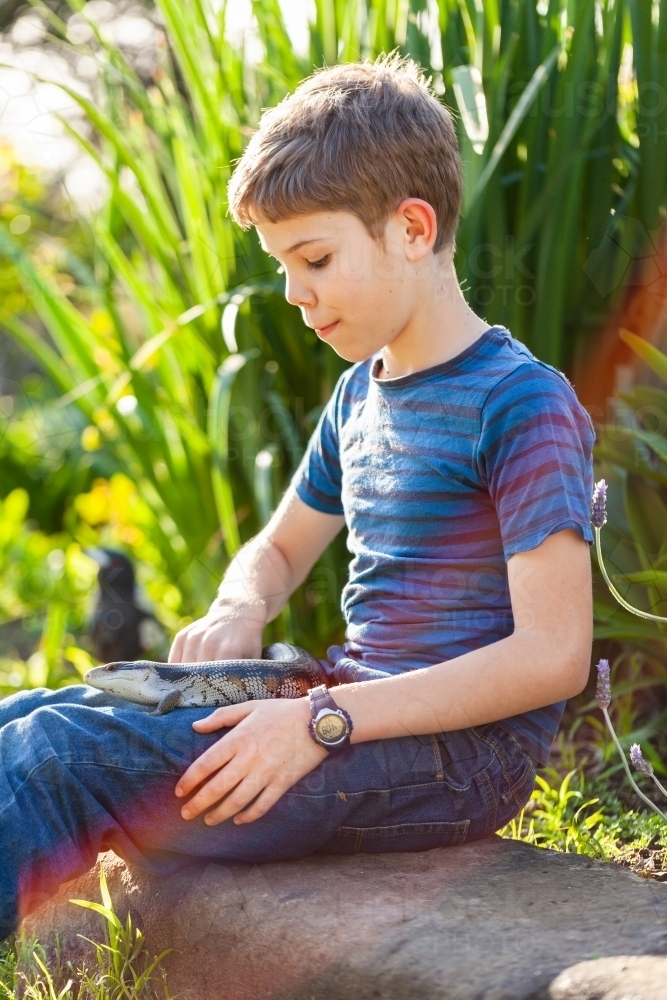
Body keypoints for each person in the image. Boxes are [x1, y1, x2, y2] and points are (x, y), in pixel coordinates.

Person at [0, 56, 595, 939]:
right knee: (27, 716)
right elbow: (278, 550)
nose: (294, 291)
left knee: (53, 760)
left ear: (411, 228)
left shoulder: (519, 402)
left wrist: (318, 723)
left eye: (313, 258)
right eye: (282, 264)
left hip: (461, 759)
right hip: (348, 705)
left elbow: (553, 656)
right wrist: (243, 604)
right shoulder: (360, 393)